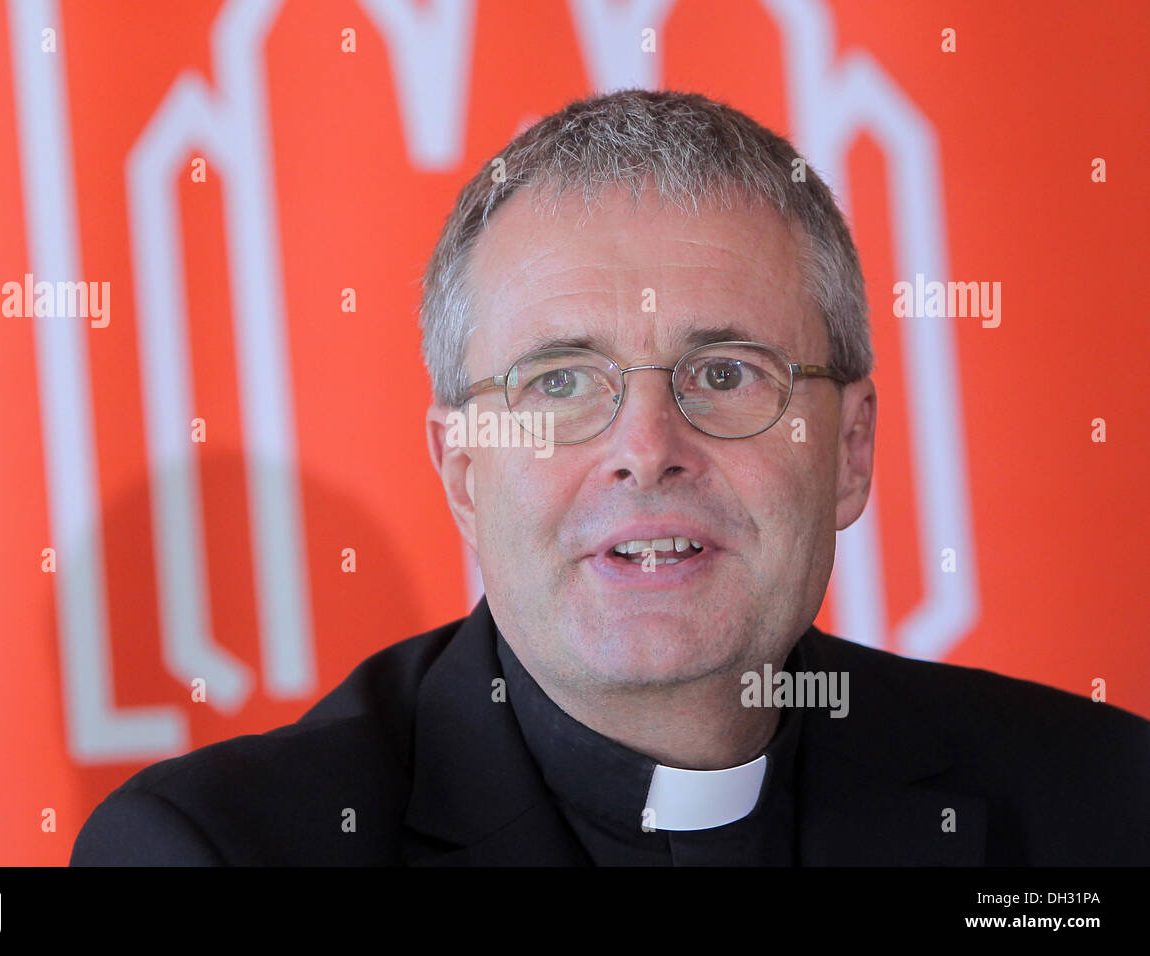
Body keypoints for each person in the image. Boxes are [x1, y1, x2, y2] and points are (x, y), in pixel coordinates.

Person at [71, 89, 1149, 866]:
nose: (646, 443)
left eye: (726, 373)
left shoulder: (1101, 804)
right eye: (558, 382)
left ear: (851, 450)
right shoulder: (220, 851)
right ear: (462, 469)